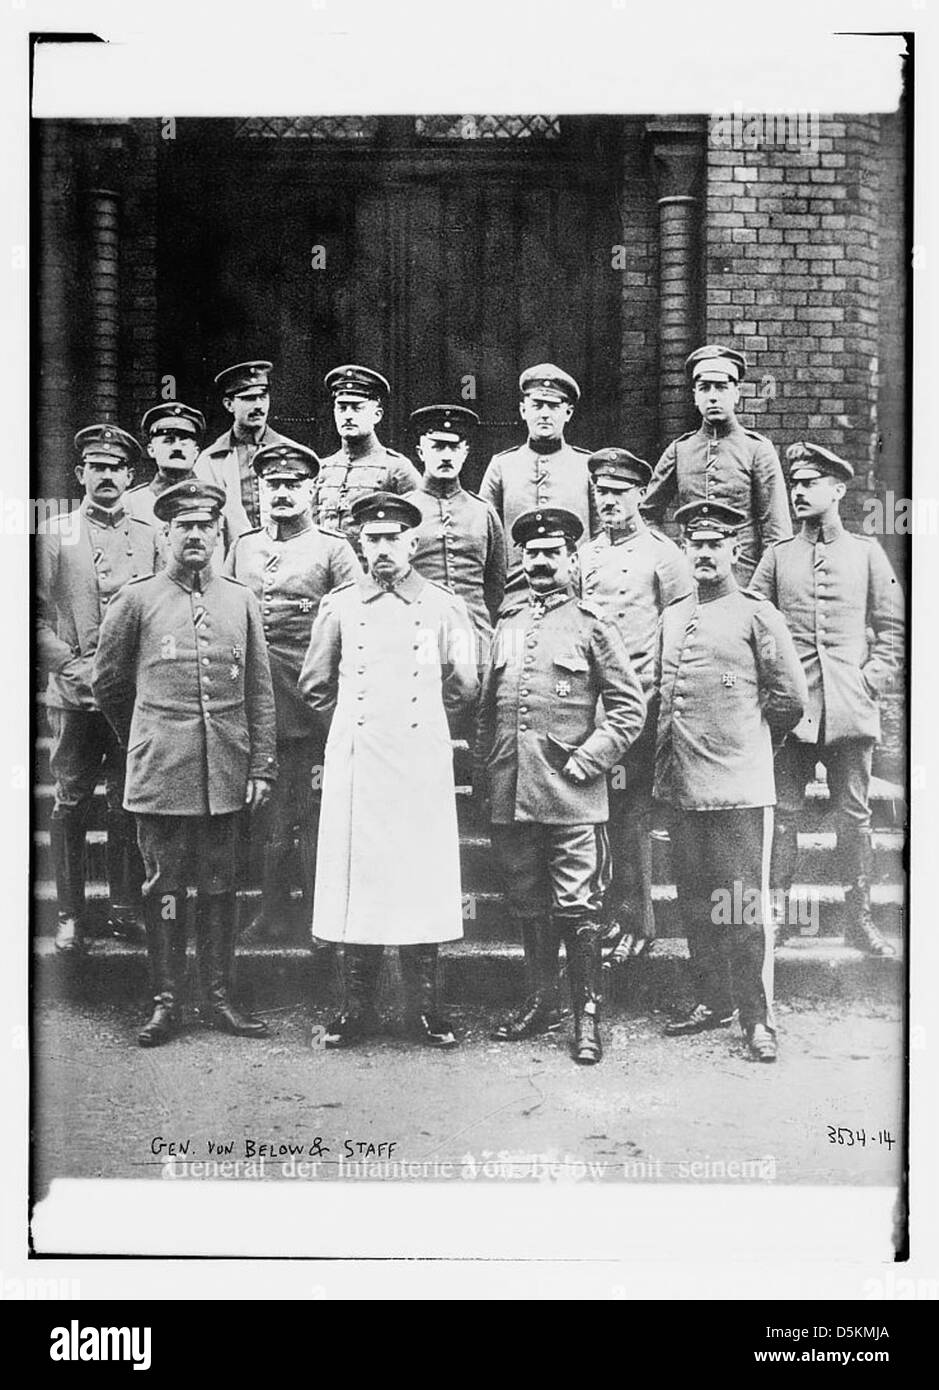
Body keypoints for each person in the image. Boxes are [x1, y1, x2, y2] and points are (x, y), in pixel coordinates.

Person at [92, 480, 278, 1047]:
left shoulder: (240, 599)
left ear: (220, 533)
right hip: (161, 772)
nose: (195, 535)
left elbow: (259, 690)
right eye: (184, 527)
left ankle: (220, 998)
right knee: (165, 887)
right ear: (167, 534)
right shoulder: (137, 598)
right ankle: (166, 1001)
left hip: (224, 769)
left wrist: (261, 766)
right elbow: (109, 684)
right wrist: (147, 739)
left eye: (206, 526)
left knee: (220, 886)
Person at [298, 492, 478, 1049]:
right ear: (359, 543)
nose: (382, 549)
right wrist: (353, 724)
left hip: (421, 759)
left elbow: (465, 682)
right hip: (360, 762)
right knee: (362, 877)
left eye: (392, 539)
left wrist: (421, 719)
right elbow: (314, 684)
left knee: (420, 876)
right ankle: (356, 1010)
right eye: (372, 539)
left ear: (413, 543)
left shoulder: (444, 606)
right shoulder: (341, 605)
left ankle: (429, 1010)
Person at [475, 507, 647, 1064]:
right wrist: (486, 776)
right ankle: (540, 1001)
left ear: (572, 560)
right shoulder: (508, 627)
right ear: (522, 561)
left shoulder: (595, 625)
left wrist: (589, 760)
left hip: (572, 797)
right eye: (533, 554)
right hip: (512, 793)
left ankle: (586, 1018)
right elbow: (487, 711)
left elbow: (628, 709)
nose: (542, 563)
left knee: (579, 908)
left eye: (553, 553)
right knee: (527, 905)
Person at [654, 500, 807, 1063]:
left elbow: (790, 698)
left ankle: (756, 1017)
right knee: (695, 901)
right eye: (694, 543)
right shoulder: (673, 614)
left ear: (735, 550)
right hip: (682, 787)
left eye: (714, 544)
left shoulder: (755, 613)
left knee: (740, 907)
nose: (703, 552)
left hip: (738, 789)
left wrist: (752, 744)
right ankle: (711, 1000)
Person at [750, 442, 905, 957]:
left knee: (853, 817)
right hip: (792, 714)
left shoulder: (866, 553)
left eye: (809, 483)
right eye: (794, 484)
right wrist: (773, 692)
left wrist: (870, 680)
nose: (798, 491)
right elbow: (754, 629)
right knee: (786, 816)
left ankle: (858, 920)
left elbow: (891, 629)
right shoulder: (776, 558)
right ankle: (780, 916)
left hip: (849, 709)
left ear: (838, 490)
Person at [224, 442, 359, 941]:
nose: (281, 493)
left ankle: (321, 918)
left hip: (313, 701)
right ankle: (272, 909)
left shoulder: (333, 548)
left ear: (311, 490)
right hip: (254, 703)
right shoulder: (243, 546)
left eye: (292, 485)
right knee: (270, 818)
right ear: (260, 491)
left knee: (318, 816)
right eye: (272, 485)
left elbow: (354, 624)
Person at [37, 423, 160, 952]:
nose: (106, 476)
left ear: (130, 475)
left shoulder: (151, 533)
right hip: (74, 694)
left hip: (132, 695)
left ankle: (123, 908)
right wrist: (66, 664)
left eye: (116, 468)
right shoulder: (55, 532)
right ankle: (70, 915)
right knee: (71, 800)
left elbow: (162, 609)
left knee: (126, 803)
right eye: (97, 467)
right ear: (81, 474)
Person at [578, 448, 693, 957]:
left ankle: (638, 922)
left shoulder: (663, 555)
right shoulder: (585, 554)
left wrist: (661, 702)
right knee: (594, 816)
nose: (608, 502)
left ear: (640, 496)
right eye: (601, 493)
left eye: (618, 493)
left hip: (639, 707)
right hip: (590, 707)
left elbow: (680, 632)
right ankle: (603, 915)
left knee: (631, 816)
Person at [641, 344, 791, 583]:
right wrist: (673, 557)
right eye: (704, 388)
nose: (713, 396)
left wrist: (759, 589)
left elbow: (776, 532)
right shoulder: (681, 450)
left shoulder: (757, 449)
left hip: (743, 580)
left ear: (736, 393)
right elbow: (646, 515)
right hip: (689, 582)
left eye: (721, 387)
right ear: (695, 396)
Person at [478, 363, 597, 585]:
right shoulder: (502, 466)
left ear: (568, 413)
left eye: (553, 407)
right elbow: (485, 534)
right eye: (537, 405)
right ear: (523, 411)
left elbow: (604, 531)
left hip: (575, 585)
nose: (544, 414)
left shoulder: (587, 466)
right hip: (515, 587)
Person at [409, 403, 507, 668]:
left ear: (465, 452)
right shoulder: (404, 513)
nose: (446, 456)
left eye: (454, 447)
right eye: (437, 447)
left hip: (474, 640)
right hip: (417, 638)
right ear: (421, 452)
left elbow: (495, 584)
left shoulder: (483, 512)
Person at [313, 365, 421, 553]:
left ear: (377, 415)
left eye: (356, 408)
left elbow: (418, 529)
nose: (347, 415)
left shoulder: (397, 468)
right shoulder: (322, 468)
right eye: (342, 408)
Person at [196, 360, 301, 543]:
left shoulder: (294, 454)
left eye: (263, 397)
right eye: (248, 399)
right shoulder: (209, 461)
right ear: (229, 405)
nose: (258, 406)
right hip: (233, 560)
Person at [126, 401, 215, 564]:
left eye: (184, 441)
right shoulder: (131, 503)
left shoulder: (217, 499)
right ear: (151, 450)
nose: (177, 448)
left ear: (196, 452)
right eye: (168, 440)